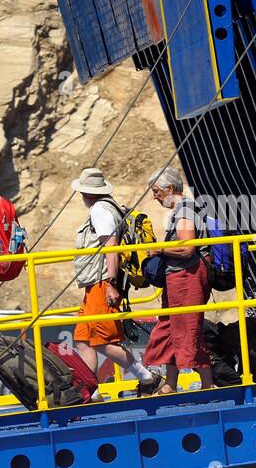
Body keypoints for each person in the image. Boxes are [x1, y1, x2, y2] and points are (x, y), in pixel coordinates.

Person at [69, 168, 161, 394]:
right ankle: (91, 391)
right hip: (95, 283)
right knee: (82, 338)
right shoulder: (108, 206)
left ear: (84, 193)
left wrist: (111, 282)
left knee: (101, 341)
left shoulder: (100, 210)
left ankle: (147, 377)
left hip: (101, 281)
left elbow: (112, 247)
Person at [142, 167, 212, 393]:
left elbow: (187, 249)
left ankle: (208, 383)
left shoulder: (184, 210)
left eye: (156, 191)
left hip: (186, 276)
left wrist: (158, 249)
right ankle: (171, 384)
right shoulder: (183, 209)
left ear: (170, 189)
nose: (154, 197)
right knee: (172, 326)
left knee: (187, 328)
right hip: (179, 277)